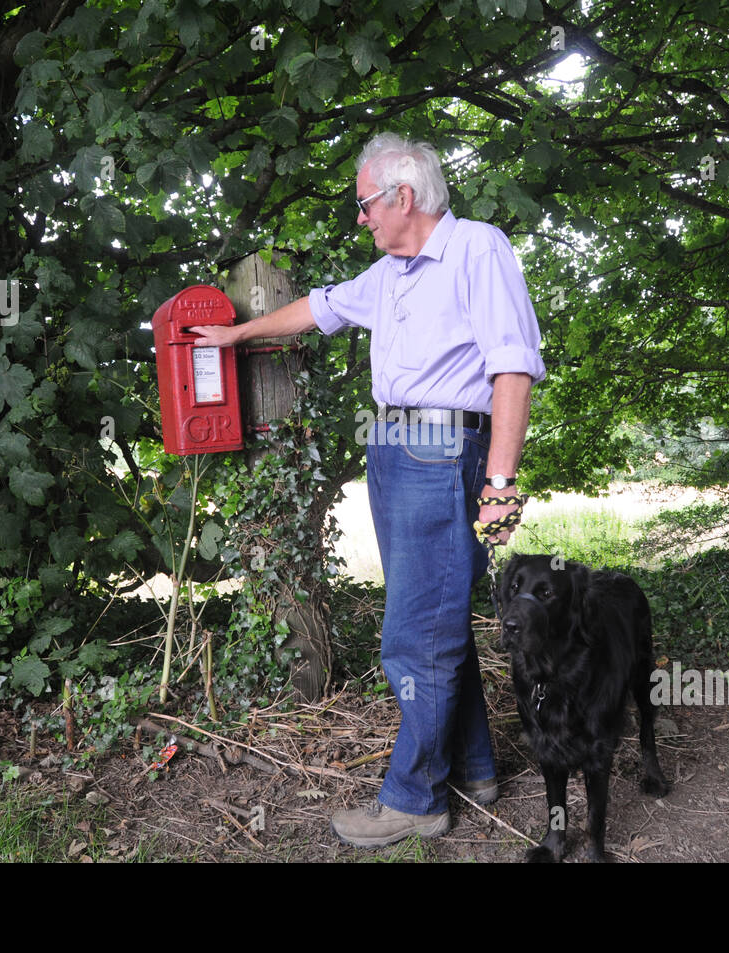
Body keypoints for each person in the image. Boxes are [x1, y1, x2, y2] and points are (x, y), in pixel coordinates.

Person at [190, 132, 545, 847]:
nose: (361, 218)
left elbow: (513, 366)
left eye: (364, 204)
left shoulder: (478, 247)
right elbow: (318, 308)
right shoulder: (389, 276)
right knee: (437, 614)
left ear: (402, 196)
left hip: (446, 445)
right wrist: (236, 337)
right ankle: (475, 770)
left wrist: (501, 481)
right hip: (392, 446)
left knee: (413, 634)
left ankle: (415, 798)